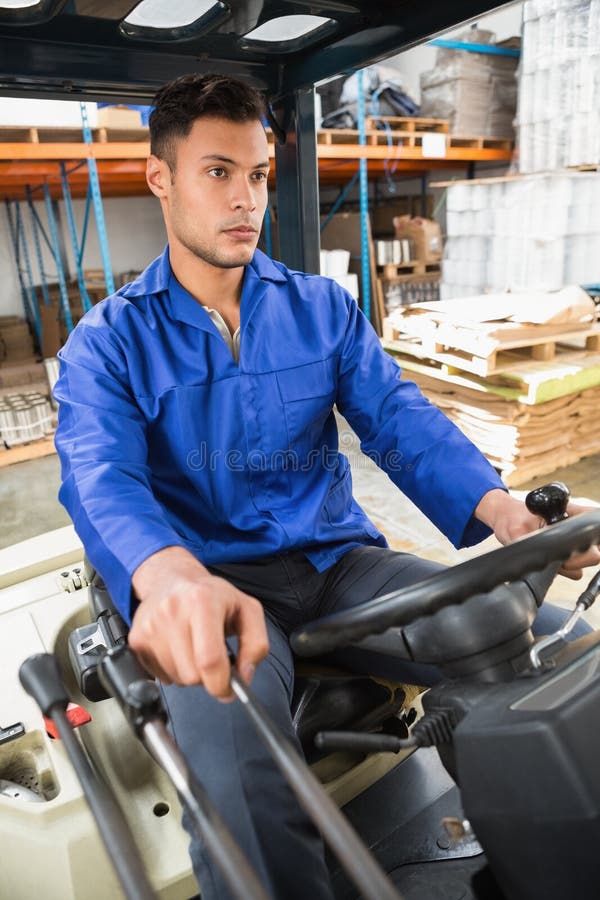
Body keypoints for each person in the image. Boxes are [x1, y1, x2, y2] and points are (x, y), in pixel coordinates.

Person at [53, 73, 600, 900]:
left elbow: (398, 417)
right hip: (217, 593)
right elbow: (100, 475)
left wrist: (501, 509)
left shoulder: (318, 308)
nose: (246, 199)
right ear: (160, 178)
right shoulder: (107, 346)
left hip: (339, 567)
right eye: (217, 172)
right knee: (242, 774)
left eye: (259, 173)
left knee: (554, 647)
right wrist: (166, 580)